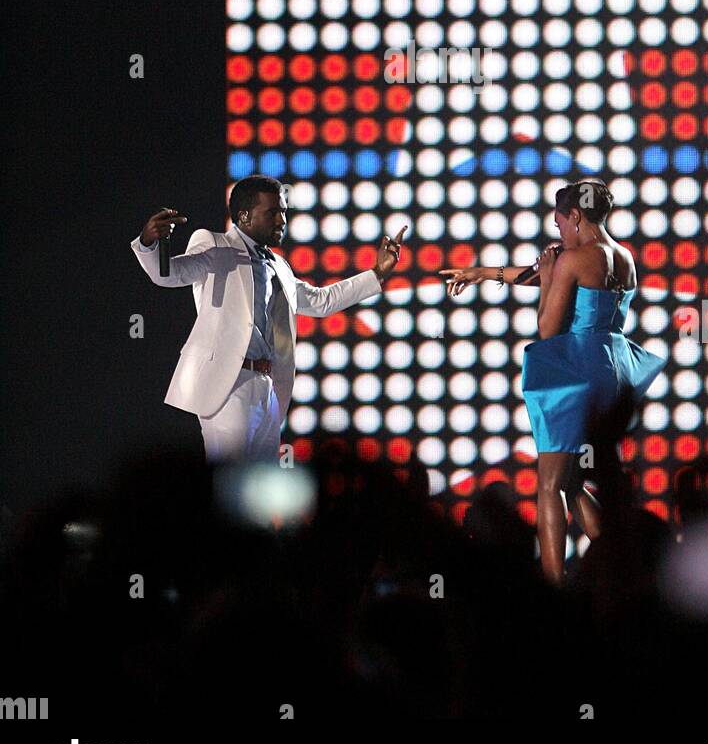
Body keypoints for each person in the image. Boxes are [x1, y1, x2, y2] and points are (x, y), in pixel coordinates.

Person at [441, 179, 662, 583]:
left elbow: (547, 327)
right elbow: (540, 273)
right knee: (572, 481)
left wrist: (548, 279)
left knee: (548, 485)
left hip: (574, 374)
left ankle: (553, 591)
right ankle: (624, 564)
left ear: (574, 216)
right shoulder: (623, 257)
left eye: (560, 223)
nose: (558, 231)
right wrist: (481, 273)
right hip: (613, 367)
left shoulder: (574, 261)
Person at [131, 174, 407, 464]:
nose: (282, 220)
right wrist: (150, 243)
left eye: (284, 212)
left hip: (267, 385)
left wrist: (378, 273)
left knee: (258, 487)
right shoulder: (215, 246)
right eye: (272, 212)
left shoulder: (278, 265)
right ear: (244, 216)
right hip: (228, 383)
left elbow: (320, 301)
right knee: (230, 480)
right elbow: (168, 275)